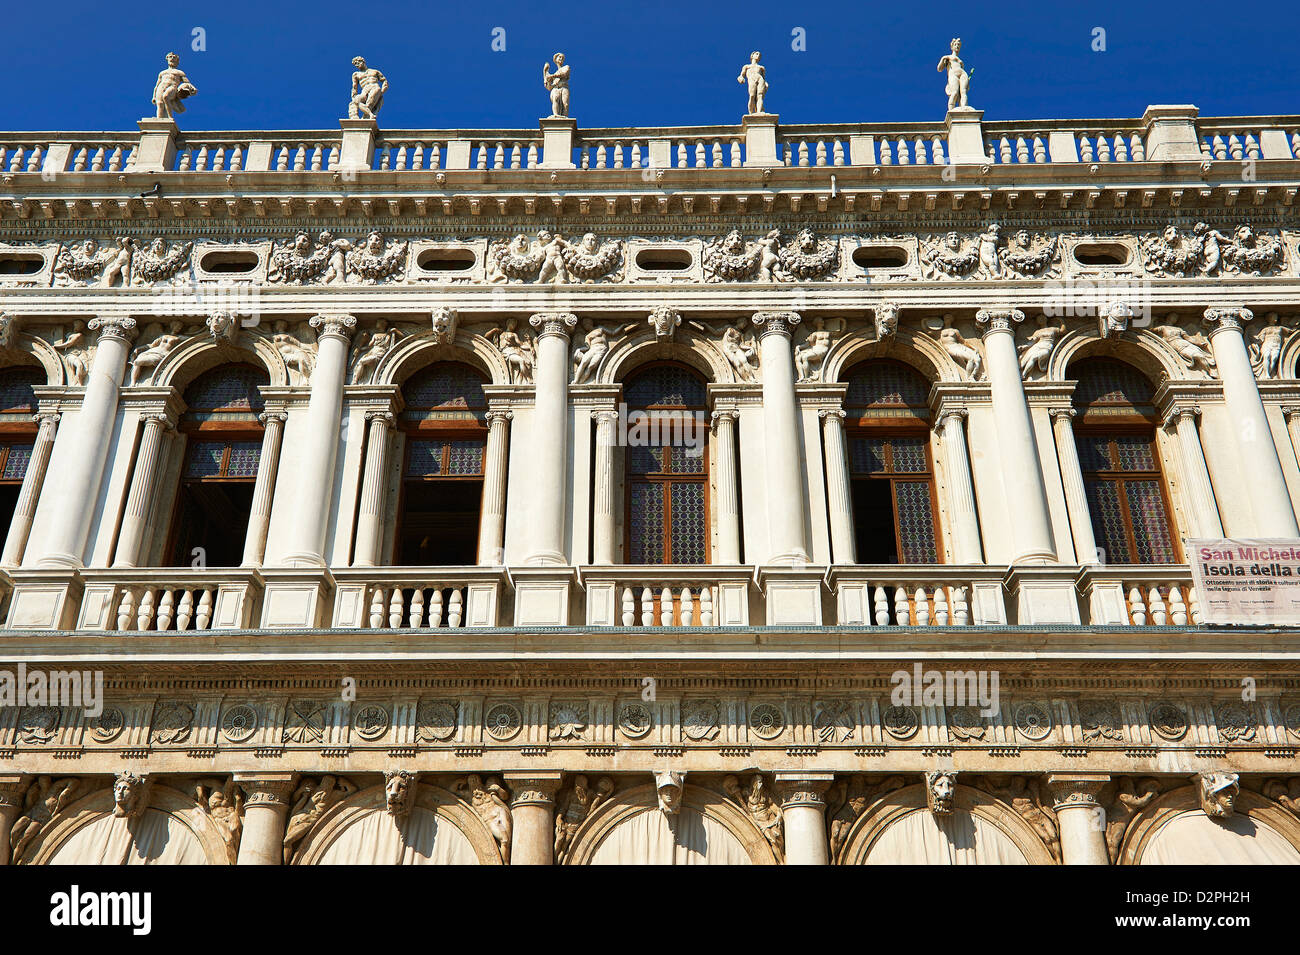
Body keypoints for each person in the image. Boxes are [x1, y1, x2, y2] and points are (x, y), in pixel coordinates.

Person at [152, 53, 196, 120]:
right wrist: (154, 96)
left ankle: (170, 117)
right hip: (161, 87)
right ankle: (159, 119)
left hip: (172, 86)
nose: (172, 58)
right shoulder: (162, 72)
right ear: (167, 59)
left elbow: (187, 82)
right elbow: (156, 85)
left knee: (166, 96)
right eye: (170, 57)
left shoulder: (179, 72)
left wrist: (193, 88)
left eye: (174, 57)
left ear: (177, 61)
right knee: (160, 103)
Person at [936, 38, 971, 110]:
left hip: (963, 74)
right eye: (955, 44)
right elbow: (939, 69)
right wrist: (943, 60)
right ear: (952, 46)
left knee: (963, 92)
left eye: (958, 45)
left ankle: (964, 108)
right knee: (954, 93)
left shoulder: (961, 61)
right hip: (953, 75)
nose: (957, 46)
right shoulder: (948, 57)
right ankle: (951, 110)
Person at [542, 53, 570, 117]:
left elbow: (564, 74)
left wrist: (551, 76)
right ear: (555, 59)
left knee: (565, 104)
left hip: (564, 87)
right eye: (560, 57)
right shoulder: (553, 76)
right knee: (555, 100)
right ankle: (556, 115)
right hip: (555, 88)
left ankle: (564, 119)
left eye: (562, 58)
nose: (561, 58)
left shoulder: (566, 67)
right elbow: (549, 87)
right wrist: (545, 74)